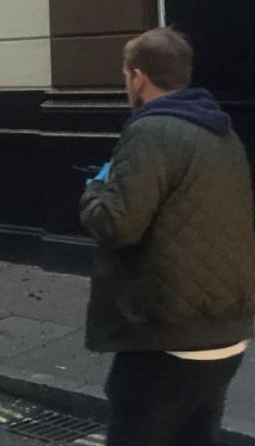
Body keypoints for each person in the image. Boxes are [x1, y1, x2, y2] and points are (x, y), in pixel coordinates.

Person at [79, 27, 255, 446]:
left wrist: (95, 188)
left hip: (167, 342)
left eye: (126, 76)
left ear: (138, 77)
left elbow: (115, 225)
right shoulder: (223, 134)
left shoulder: (150, 132)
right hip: (225, 338)